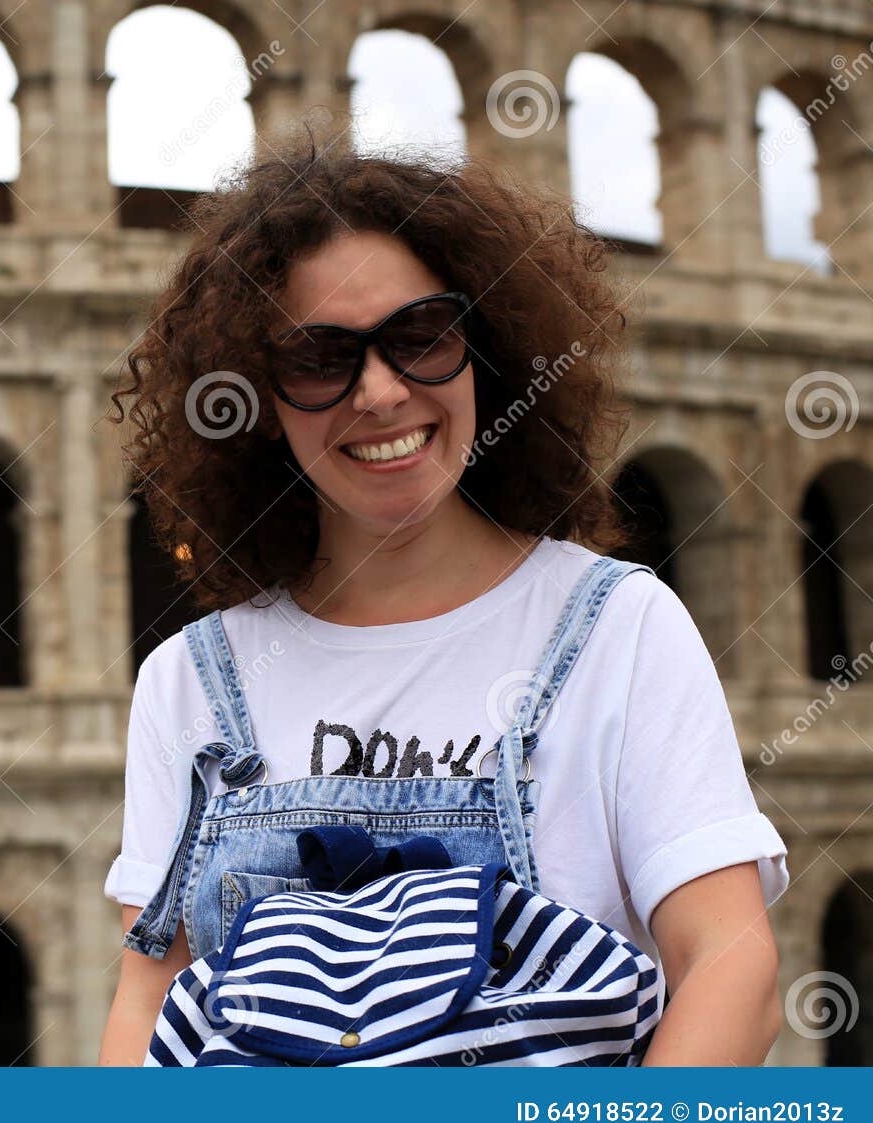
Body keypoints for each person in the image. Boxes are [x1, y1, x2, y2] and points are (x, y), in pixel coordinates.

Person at [97, 125, 790, 1067]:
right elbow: (151, 994)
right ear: (258, 401)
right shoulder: (189, 680)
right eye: (319, 358)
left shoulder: (617, 627)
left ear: (484, 347)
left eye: (420, 336)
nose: (380, 392)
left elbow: (730, 962)